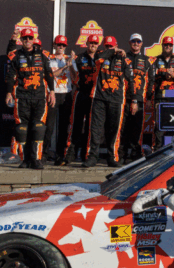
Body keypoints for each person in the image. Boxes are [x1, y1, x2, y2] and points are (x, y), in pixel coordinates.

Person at [5, 28, 56, 169]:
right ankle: (25, 159)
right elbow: (10, 76)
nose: (27, 40)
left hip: (40, 97)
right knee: (22, 129)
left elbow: (49, 74)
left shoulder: (44, 55)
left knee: (38, 128)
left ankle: (36, 159)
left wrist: (52, 91)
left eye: (29, 38)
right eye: (24, 38)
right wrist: (9, 93)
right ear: (21, 40)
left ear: (33, 39)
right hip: (22, 97)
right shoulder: (16, 55)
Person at [84, 36, 134, 168]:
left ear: (116, 45)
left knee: (114, 130)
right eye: (107, 46)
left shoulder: (124, 59)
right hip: (99, 98)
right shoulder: (100, 57)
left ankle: (112, 157)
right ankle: (92, 157)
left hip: (116, 100)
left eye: (111, 46)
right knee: (95, 129)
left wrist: (133, 99)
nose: (109, 49)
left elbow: (130, 79)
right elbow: (96, 58)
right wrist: (113, 51)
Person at [59, 35, 99, 166]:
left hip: (95, 96)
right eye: (90, 43)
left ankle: (86, 155)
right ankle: (69, 155)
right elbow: (75, 79)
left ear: (98, 45)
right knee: (75, 124)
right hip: (81, 93)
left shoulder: (101, 58)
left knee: (90, 126)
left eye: (95, 43)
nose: (92, 45)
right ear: (86, 44)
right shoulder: (79, 58)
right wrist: (70, 66)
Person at [119, 33, 153, 164]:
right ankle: (121, 155)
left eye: (138, 41)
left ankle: (135, 155)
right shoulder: (123, 57)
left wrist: (149, 98)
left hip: (140, 99)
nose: (136, 43)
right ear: (129, 42)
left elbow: (151, 81)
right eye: (133, 41)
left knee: (137, 128)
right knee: (123, 128)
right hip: (123, 98)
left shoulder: (146, 60)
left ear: (142, 43)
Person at [46, 35, 76, 165]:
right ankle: (44, 154)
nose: (61, 48)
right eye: (59, 45)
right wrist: (64, 67)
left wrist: (70, 65)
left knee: (64, 127)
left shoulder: (69, 59)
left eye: (63, 45)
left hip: (66, 94)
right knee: (49, 126)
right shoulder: (49, 58)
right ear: (54, 45)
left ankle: (60, 156)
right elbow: (51, 75)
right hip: (53, 94)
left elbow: (75, 78)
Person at [150, 37, 174, 151]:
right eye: (166, 45)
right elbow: (151, 77)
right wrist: (164, 74)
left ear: (172, 46)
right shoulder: (155, 60)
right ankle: (157, 149)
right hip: (160, 96)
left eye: (170, 45)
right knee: (159, 125)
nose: (168, 47)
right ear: (162, 46)